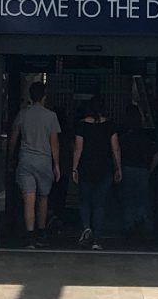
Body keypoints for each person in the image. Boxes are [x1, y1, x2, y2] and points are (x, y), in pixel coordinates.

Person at [8, 82, 61, 248]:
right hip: (44, 160)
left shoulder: (23, 114)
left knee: (29, 198)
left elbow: (13, 138)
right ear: (44, 96)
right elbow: (54, 143)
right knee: (43, 198)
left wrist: (10, 157)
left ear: (31, 96)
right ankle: (41, 231)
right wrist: (56, 164)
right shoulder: (51, 116)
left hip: (26, 160)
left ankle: (29, 235)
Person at [71, 106, 120, 249]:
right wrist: (118, 167)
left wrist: (74, 168)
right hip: (105, 169)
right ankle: (97, 239)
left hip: (86, 168)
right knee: (100, 204)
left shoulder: (81, 126)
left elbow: (78, 149)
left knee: (85, 200)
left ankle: (87, 227)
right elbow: (115, 148)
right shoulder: (110, 126)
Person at [118, 105, 158, 239]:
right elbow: (156, 156)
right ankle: (141, 225)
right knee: (142, 200)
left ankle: (128, 228)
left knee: (128, 200)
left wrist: (117, 169)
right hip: (142, 170)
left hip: (127, 169)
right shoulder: (145, 136)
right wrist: (149, 170)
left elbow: (117, 153)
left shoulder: (123, 137)